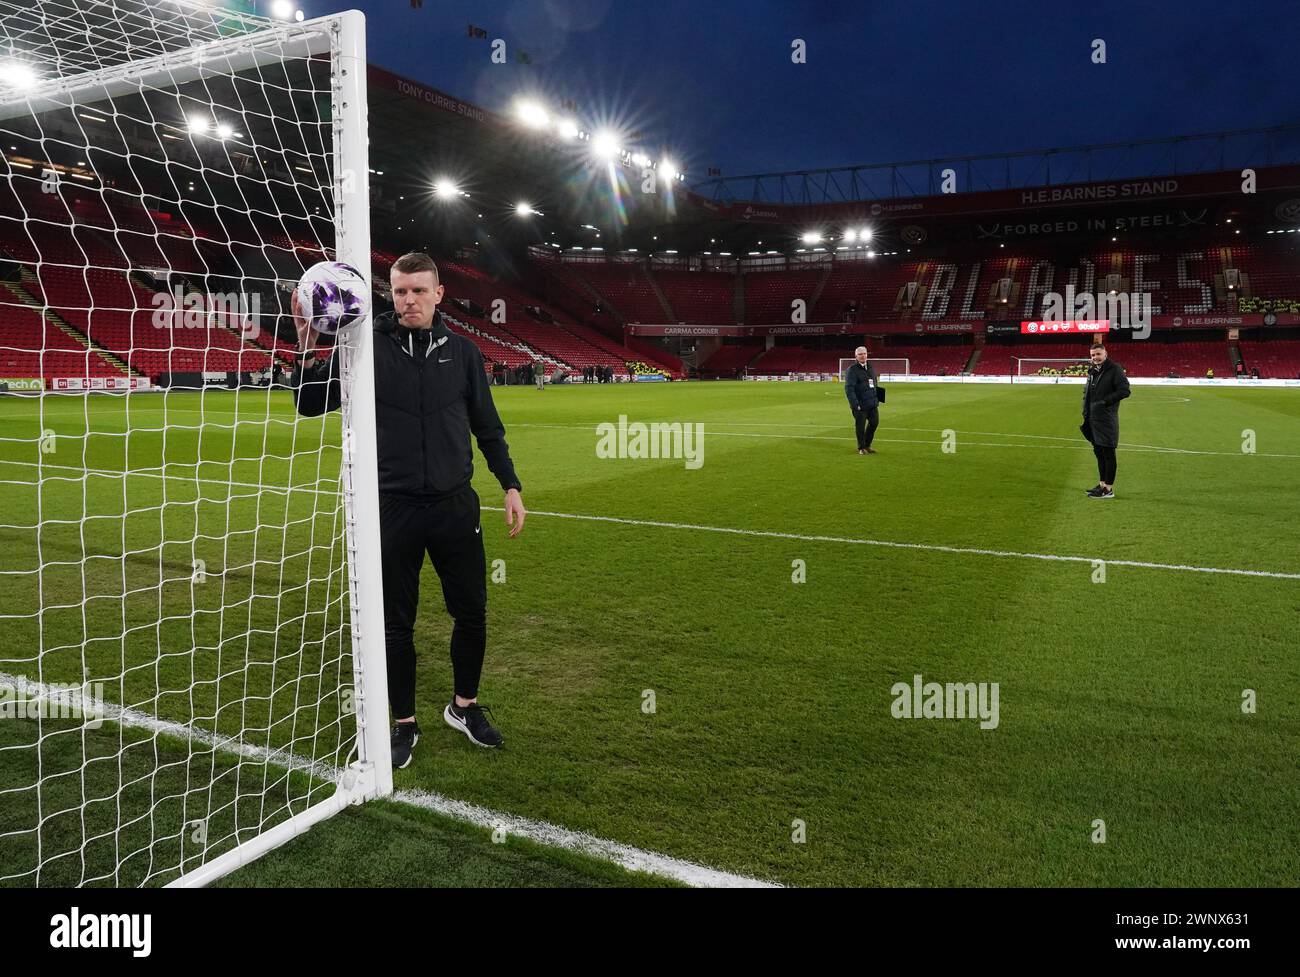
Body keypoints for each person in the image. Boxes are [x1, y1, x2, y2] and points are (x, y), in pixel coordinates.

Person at [292, 252, 526, 764]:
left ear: (439, 293)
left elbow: (487, 426)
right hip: (392, 506)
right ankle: (403, 724)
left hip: (453, 507)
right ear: (390, 293)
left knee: (472, 612)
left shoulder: (464, 353)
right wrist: (308, 342)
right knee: (395, 622)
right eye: (400, 291)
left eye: (420, 290)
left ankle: (464, 706)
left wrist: (509, 484)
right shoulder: (363, 350)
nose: (409, 300)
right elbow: (309, 405)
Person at [1080, 342, 1130, 499]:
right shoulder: (1093, 370)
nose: (1095, 357)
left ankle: (1108, 489)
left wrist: (1105, 402)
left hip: (1106, 418)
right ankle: (1102, 484)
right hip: (1092, 418)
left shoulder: (1115, 369)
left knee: (1108, 453)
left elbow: (1125, 390)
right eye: (1093, 355)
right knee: (1099, 453)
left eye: (1098, 354)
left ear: (1105, 354)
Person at [844, 346, 882, 454]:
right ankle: (861, 448)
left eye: (864, 353)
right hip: (860, 405)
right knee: (860, 426)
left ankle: (867, 445)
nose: (863, 356)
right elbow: (849, 388)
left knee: (874, 423)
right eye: (860, 354)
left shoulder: (870, 367)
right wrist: (855, 404)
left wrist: (879, 399)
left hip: (872, 403)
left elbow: (875, 383)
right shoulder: (852, 370)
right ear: (856, 356)